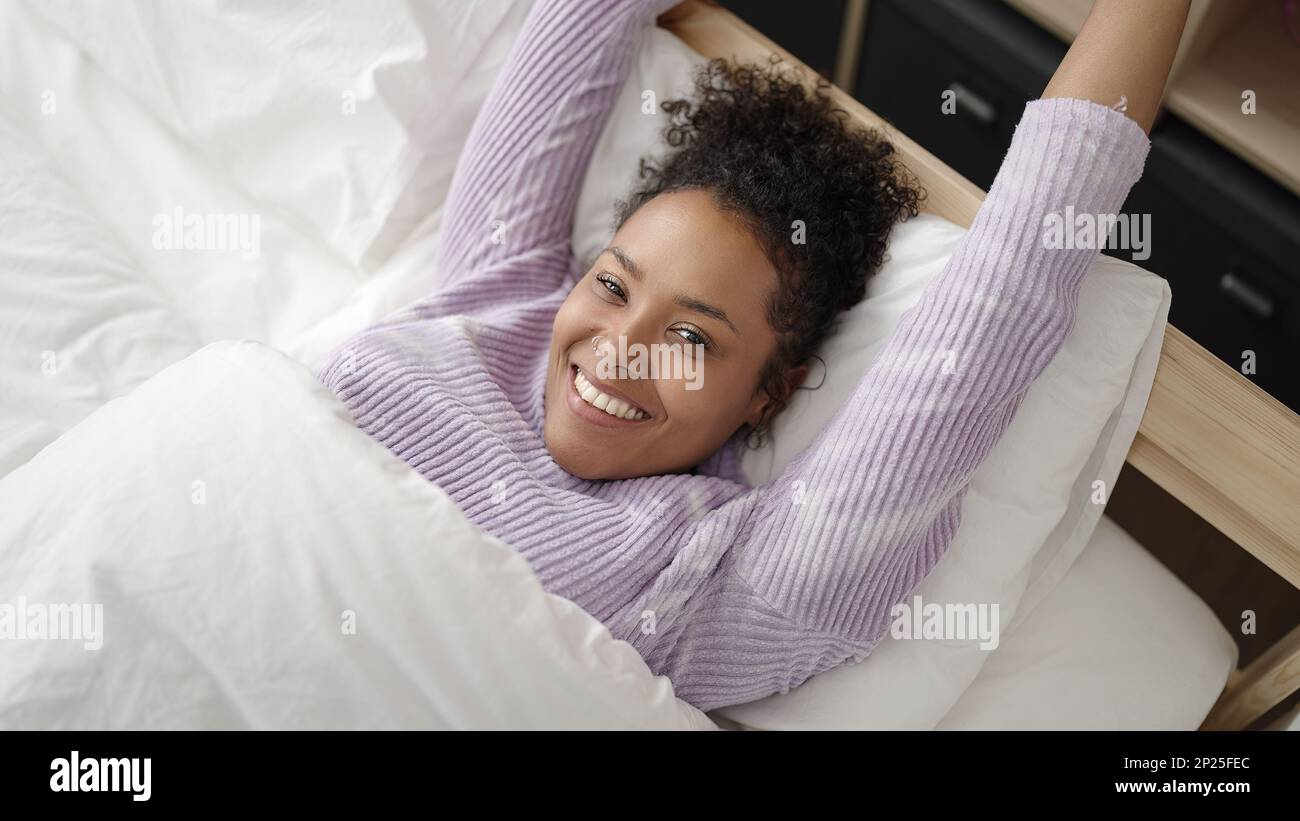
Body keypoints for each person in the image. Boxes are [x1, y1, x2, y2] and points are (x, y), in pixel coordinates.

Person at [320, 0, 1190, 711]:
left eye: (692, 338)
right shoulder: (500, 292)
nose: (616, 353)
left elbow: (1010, 282)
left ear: (768, 396)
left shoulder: (735, 583)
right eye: (616, 286)